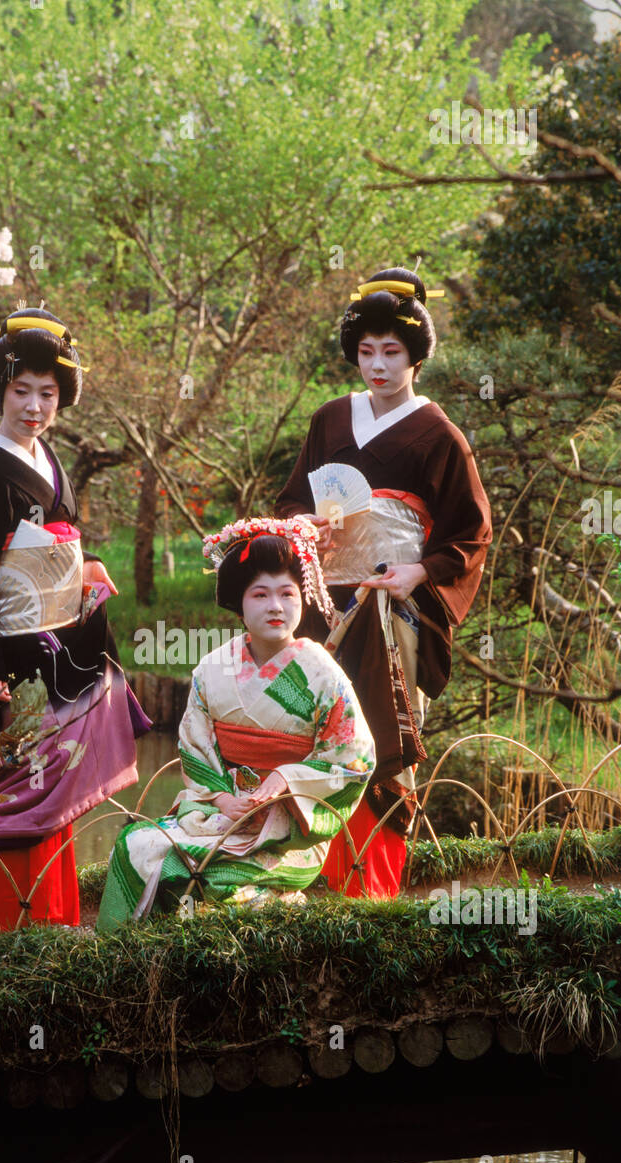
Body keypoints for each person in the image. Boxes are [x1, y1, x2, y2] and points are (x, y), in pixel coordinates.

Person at [0, 305, 151, 944]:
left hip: (63, 642)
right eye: (21, 391)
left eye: (47, 394)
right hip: (8, 650)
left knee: (58, 776)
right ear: (0, 389)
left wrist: (86, 572)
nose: (33, 406)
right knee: (24, 782)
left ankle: (45, 911)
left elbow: (62, 544)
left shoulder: (48, 457)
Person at [275, 266, 493, 897]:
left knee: (383, 731)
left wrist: (419, 571)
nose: (377, 365)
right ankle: (309, 876)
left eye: (392, 352)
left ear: (416, 356)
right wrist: (304, 524)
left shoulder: (440, 434)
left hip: (392, 603)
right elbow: (290, 502)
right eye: (366, 351)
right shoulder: (329, 420)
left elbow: (471, 533)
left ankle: (376, 886)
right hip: (323, 601)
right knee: (314, 729)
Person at [96, 518, 375, 931]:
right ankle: (121, 953)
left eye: (287, 594)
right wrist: (225, 801)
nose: (275, 606)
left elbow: (353, 759)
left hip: (287, 825)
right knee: (134, 845)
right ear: (239, 603)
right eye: (260, 594)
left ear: (304, 599)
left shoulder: (323, 672)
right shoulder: (213, 669)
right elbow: (196, 749)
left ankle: (261, 906)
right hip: (222, 813)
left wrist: (283, 780)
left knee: (216, 883)